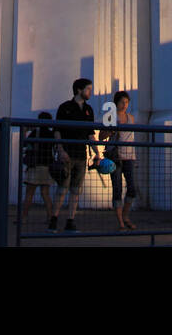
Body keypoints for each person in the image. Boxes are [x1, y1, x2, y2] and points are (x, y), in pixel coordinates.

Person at [51, 78, 98, 232]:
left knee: (76, 189)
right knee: (62, 188)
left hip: (81, 154)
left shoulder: (89, 110)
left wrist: (97, 153)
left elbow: (91, 133)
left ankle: (70, 220)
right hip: (67, 153)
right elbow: (57, 130)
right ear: (79, 90)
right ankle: (54, 219)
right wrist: (61, 150)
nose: (90, 92)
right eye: (88, 89)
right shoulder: (65, 108)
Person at [102, 89, 139, 231]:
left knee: (132, 189)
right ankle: (121, 222)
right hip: (115, 156)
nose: (124, 105)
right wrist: (111, 131)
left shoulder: (131, 118)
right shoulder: (110, 117)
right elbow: (101, 136)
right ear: (116, 103)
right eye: (122, 102)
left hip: (129, 156)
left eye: (126, 102)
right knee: (117, 188)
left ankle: (125, 215)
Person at [21, 111, 55, 225]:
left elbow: (25, 144)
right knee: (45, 193)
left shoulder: (36, 132)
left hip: (35, 165)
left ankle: (24, 218)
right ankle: (50, 217)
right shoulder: (51, 134)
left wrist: (26, 130)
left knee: (29, 193)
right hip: (47, 166)